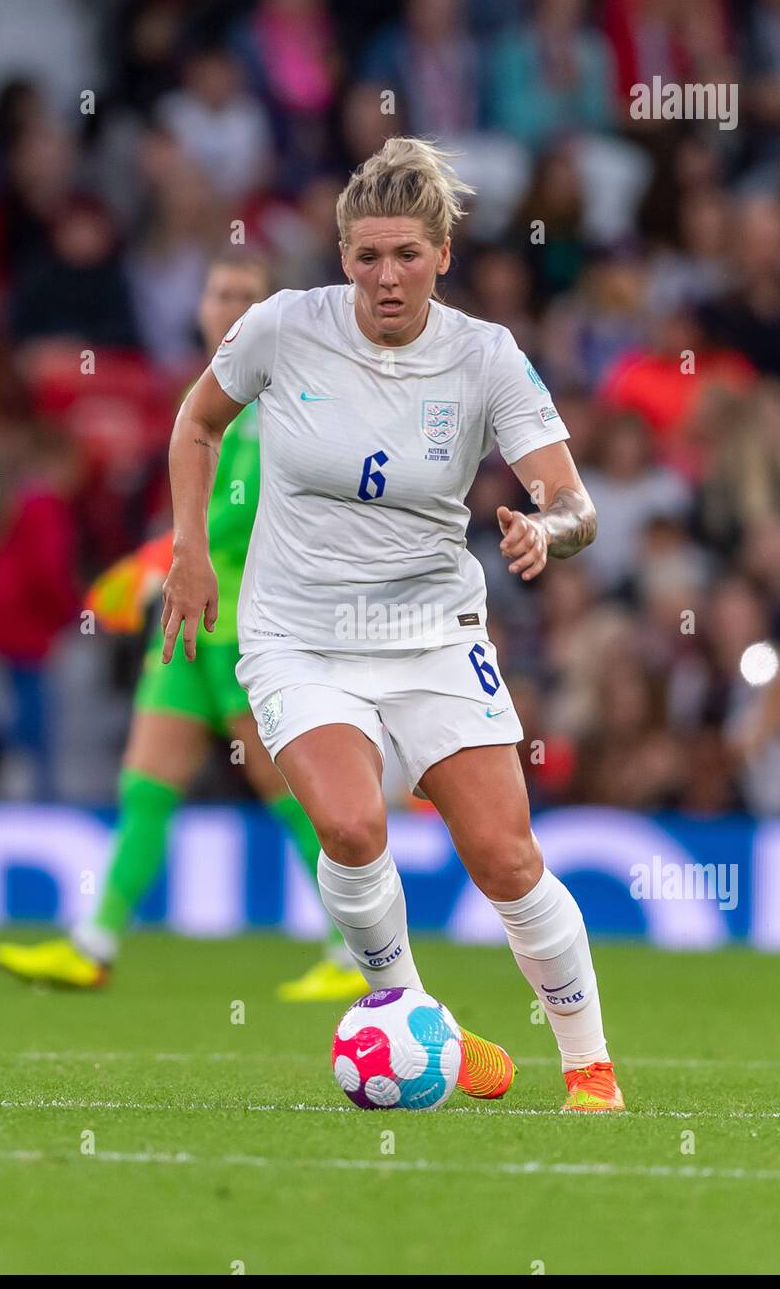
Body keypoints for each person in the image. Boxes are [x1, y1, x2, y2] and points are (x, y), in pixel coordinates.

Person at [160, 138, 625, 1111]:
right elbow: (195, 423)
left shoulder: (483, 354)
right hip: (299, 635)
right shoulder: (281, 328)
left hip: (431, 635)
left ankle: (589, 1068)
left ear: (443, 254)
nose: (384, 277)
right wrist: (189, 549)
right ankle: (413, 1012)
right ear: (340, 257)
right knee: (350, 821)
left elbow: (575, 505)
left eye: (405, 255)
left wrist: (548, 530)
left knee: (504, 857)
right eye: (366, 256)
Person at [0, 251, 368, 1003]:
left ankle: (356, 946)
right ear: (198, 308)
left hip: (241, 619)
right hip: (187, 621)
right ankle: (93, 945)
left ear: (267, 312)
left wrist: (149, 564)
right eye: (218, 291)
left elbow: (244, 509)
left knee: (284, 785)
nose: (228, 306)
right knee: (146, 782)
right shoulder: (203, 395)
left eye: (245, 295)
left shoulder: (276, 397)